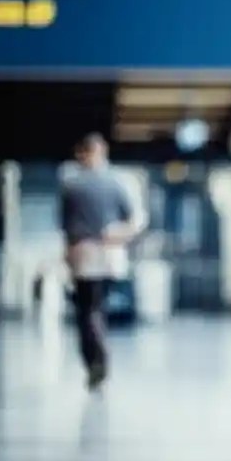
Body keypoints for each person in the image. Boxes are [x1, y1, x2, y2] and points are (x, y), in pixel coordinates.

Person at [59, 133, 143, 389]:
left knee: (87, 309)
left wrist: (68, 254)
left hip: (83, 252)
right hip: (109, 252)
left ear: (81, 154)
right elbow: (132, 218)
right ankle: (99, 356)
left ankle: (95, 359)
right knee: (97, 307)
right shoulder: (116, 182)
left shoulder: (71, 186)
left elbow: (65, 225)